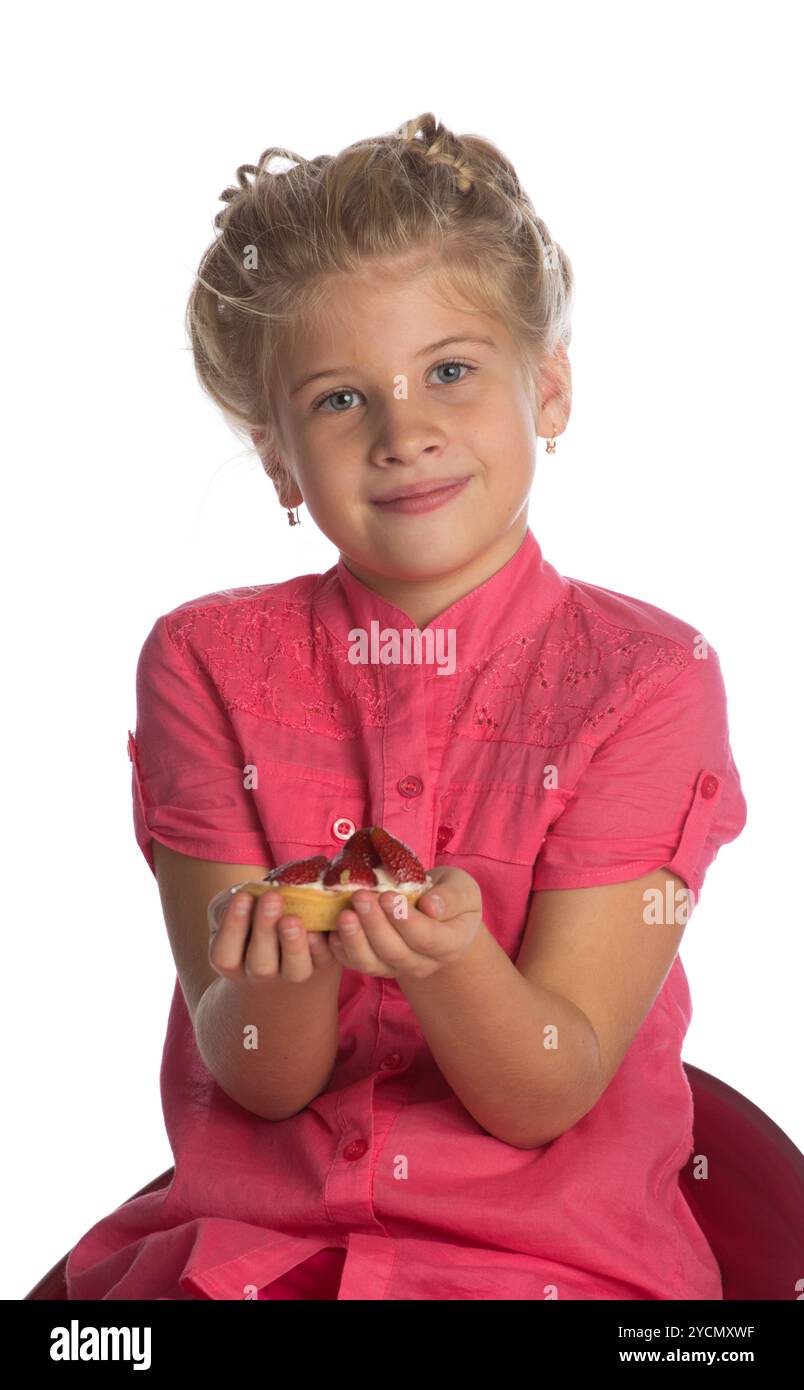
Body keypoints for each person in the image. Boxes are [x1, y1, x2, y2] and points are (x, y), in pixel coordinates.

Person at [65, 113, 747, 1301]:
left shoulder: (649, 679)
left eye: (449, 370)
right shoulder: (201, 664)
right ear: (278, 459)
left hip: (547, 1266)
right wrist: (279, 972)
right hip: (250, 1257)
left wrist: (449, 960)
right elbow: (259, 1078)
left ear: (550, 385)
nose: (404, 431)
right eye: (338, 401)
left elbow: (548, 1082)